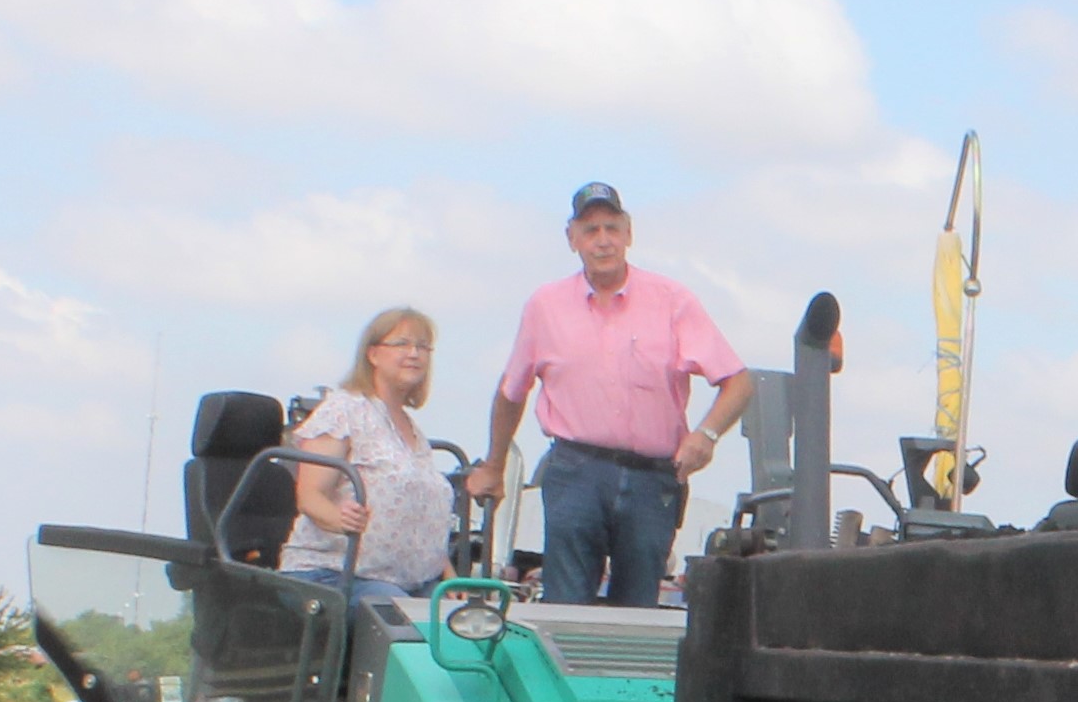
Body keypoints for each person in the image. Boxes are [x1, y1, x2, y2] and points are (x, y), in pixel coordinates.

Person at [463, 183, 751, 607]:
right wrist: (493, 465)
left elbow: (738, 382)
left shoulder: (672, 300)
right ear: (572, 239)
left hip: (654, 476)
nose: (603, 240)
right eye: (591, 230)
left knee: (638, 605)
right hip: (576, 471)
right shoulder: (545, 305)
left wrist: (706, 436)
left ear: (628, 233)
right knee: (567, 601)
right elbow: (512, 392)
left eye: (612, 228)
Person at [280, 307, 454, 602]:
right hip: (334, 574)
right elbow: (309, 496)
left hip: (407, 581)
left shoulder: (412, 431)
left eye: (423, 347)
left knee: (468, 626)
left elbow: (419, 518)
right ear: (373, 355)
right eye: (402, 344)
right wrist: (339, 518)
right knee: (401, 618)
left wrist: (451, 578)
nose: (414, 354)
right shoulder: (343, 410)